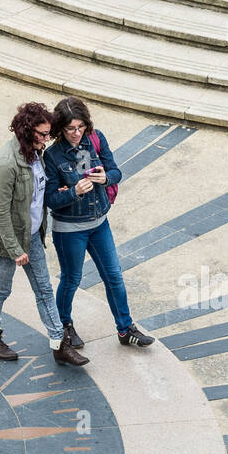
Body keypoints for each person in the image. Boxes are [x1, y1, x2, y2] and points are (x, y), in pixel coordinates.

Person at [42, 97, 154, 349]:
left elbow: (116, 172)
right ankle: (64, 327)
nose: (77, 133)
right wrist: (74, 191)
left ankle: (125, 329)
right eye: (71, 128)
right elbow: (50, 199)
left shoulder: (95, 138)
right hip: (70, 229)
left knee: (114, 276)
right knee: (71, 279)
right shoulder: (52, 156)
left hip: (99, 223)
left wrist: (105, 178)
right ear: (60, 128)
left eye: (81, 127)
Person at [0, 102, 86, 367]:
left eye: (48, 133)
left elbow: (36, 193)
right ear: (26, 132)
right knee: (1, 289)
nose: (47, 139)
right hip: (7, 241)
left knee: (43, 290)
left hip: (31, 234)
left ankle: (58, 344)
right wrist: (16, 251)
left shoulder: (35, 152)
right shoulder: (7, 163)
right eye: (42, 134)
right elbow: (0, 212)